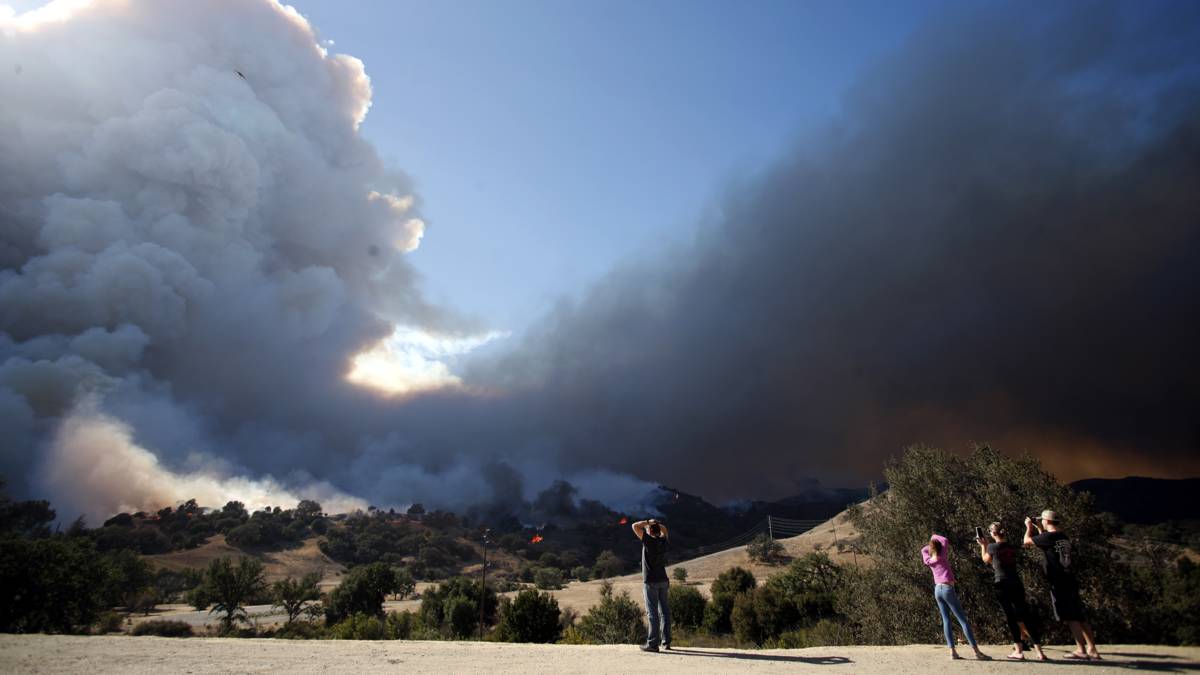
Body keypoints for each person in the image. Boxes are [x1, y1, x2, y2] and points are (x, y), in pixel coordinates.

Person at [1024, 510, 1101, 660]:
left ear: (1047, 521)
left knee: (1071, 616)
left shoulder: (1049, 537)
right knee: (1079, 615)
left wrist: (1029, 527)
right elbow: (1045, 544)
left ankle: (1081, 650)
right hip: (1069, 578)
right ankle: (1092, 649)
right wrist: (1039, 529)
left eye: (1043, 520)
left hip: (1058, 580)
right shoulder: (1063, 537)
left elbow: (1026, 541)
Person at [977, 522, 1047, 661]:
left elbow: (986, 559)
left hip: (1002, 583)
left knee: (1011, 617)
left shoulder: (992, 547)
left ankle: (1019, 650)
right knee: (1025, 615)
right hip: (1016, 582)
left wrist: (983, 545)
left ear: (993, 533)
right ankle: (1039, 651)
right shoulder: (1011, 546)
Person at [922, 533, 989, 660]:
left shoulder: (929, 561)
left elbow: (924, 549)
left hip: (937, 590)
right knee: (962, 620)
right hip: (947, 589)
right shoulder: (942, 556)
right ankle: (977, 652)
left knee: (946, 620)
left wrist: (931, 544)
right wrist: (933, 536)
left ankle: (953, 652)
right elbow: (945, 539)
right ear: (940, 548)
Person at [632, 518, 671, 652]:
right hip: (663, 580)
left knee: (652, 613)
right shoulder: (663, 541)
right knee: (664, 612)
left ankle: (653, 644)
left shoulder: (649, 541)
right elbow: (665, 530)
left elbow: (634, 526)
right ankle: (666, 642)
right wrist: (657, 524)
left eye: (648, 529)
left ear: (649, 531)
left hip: (651, 581)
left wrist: (648, 522)